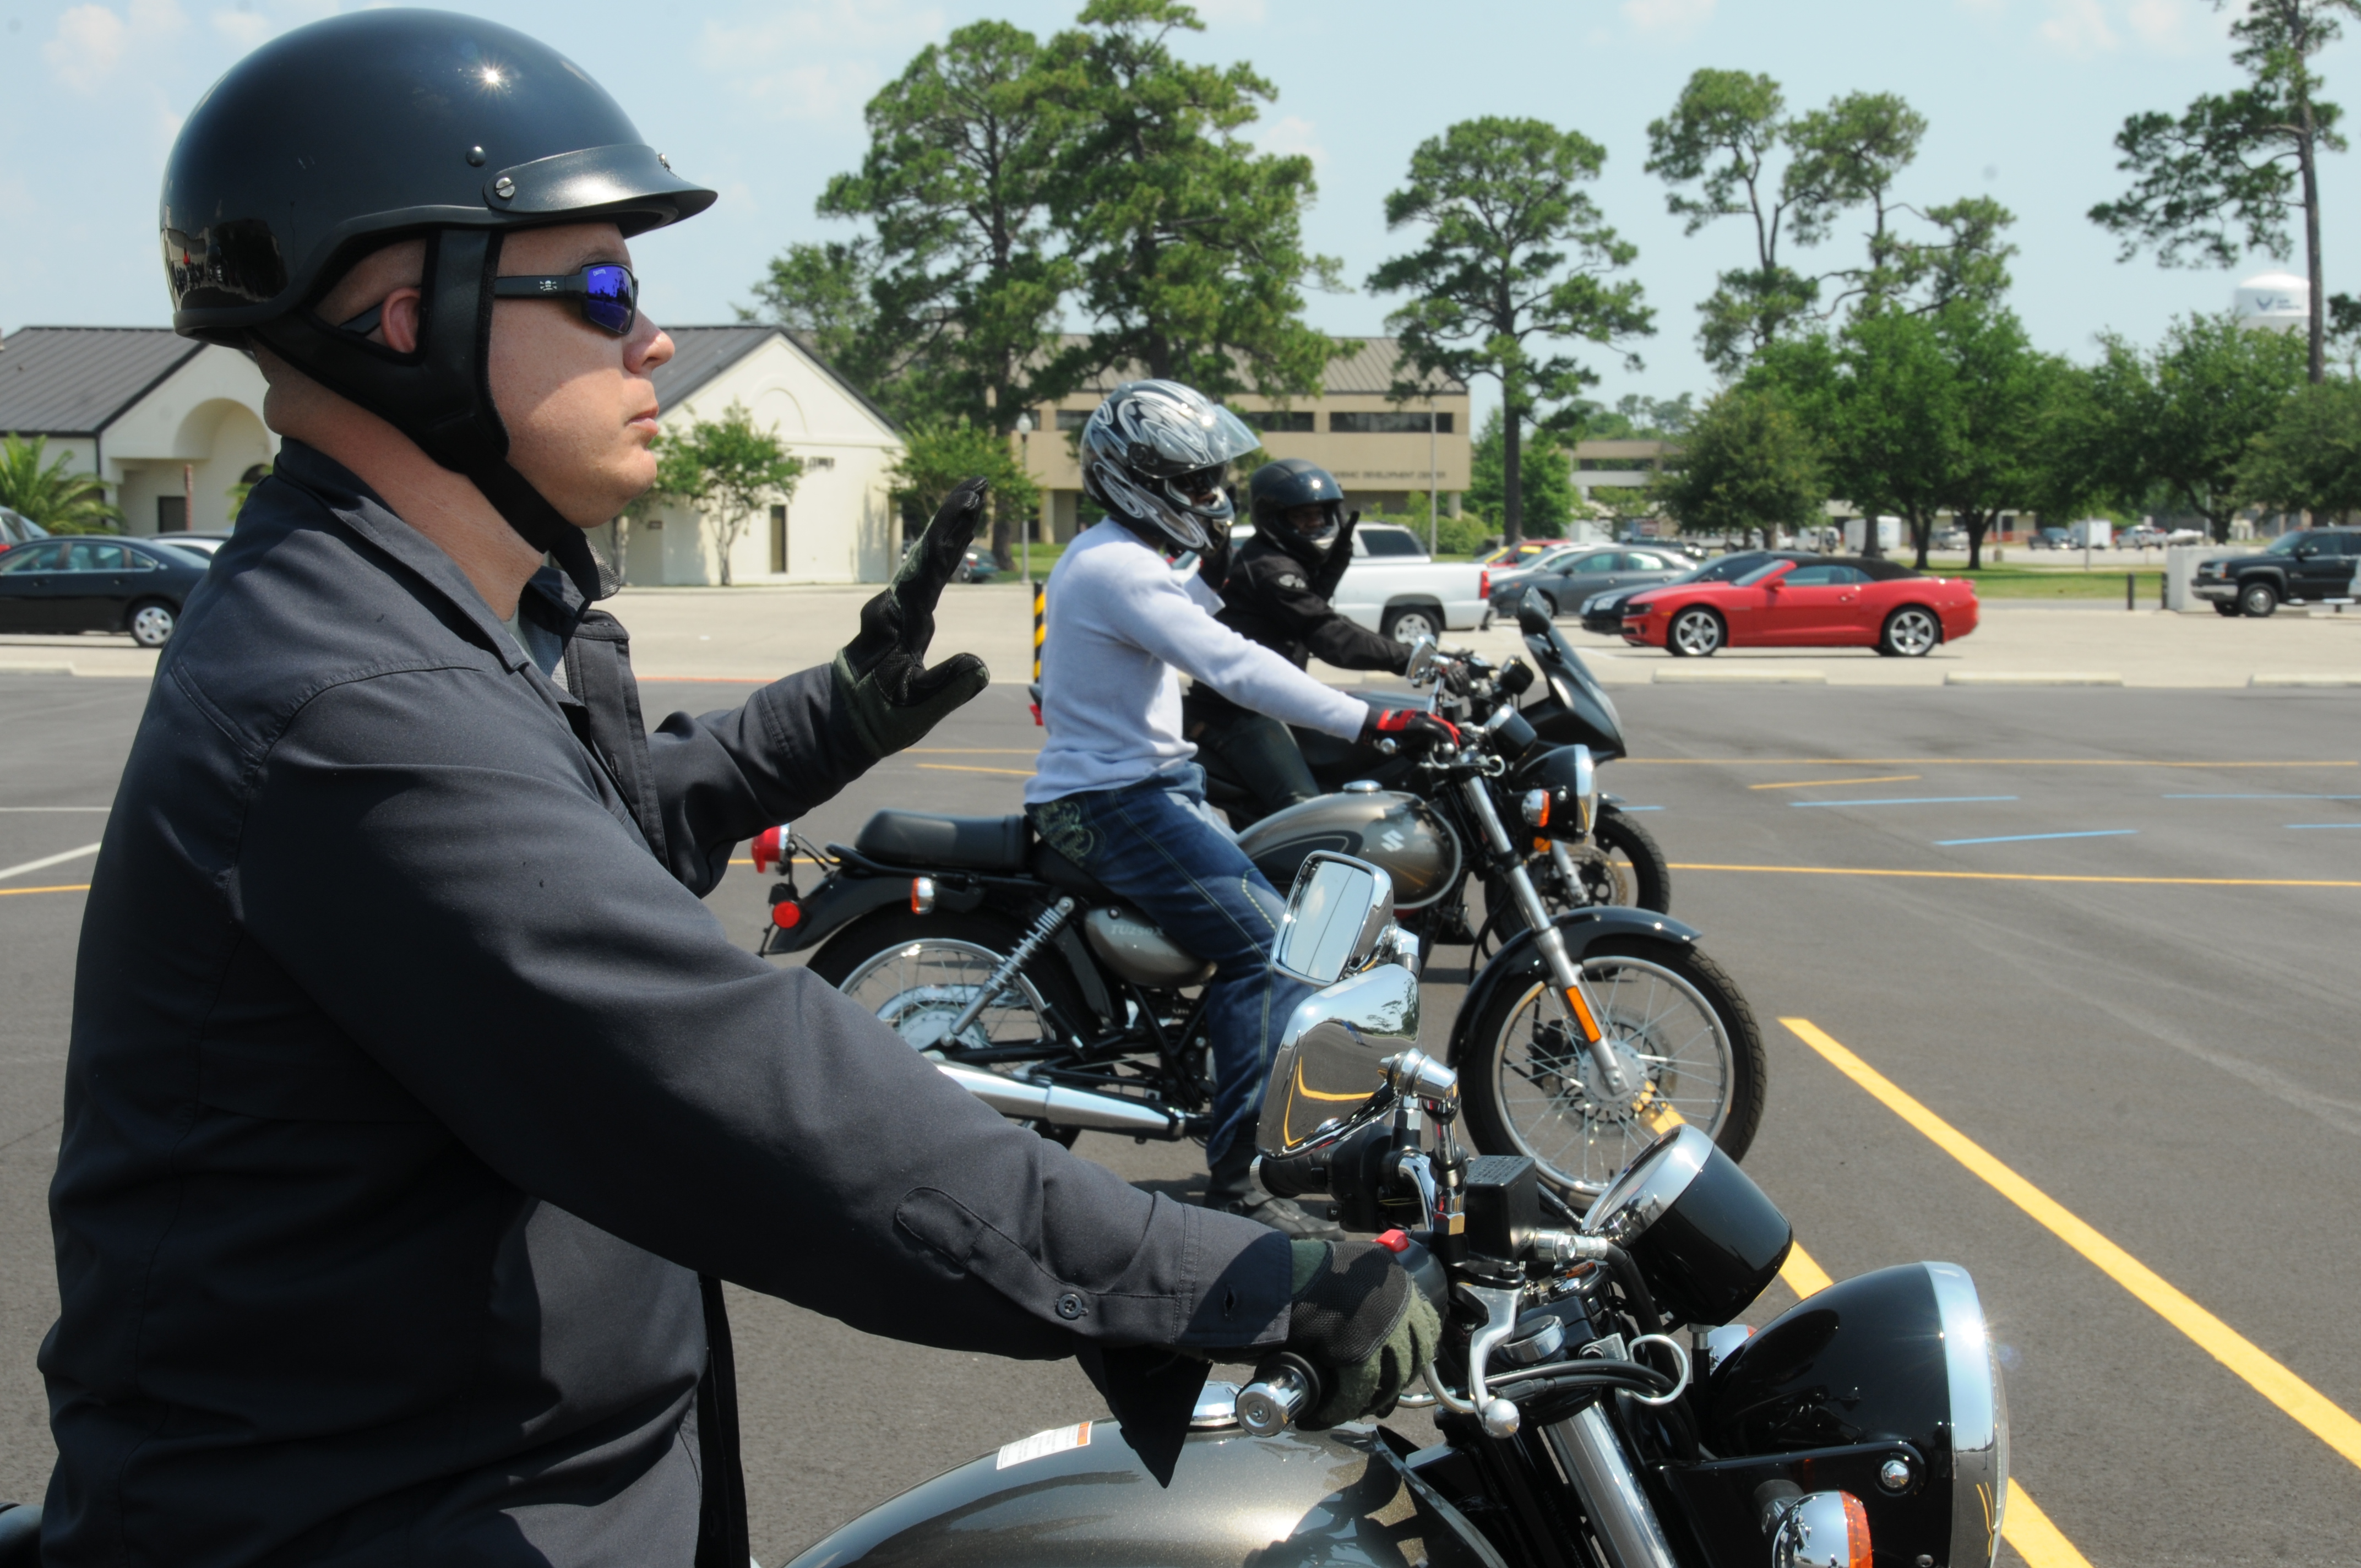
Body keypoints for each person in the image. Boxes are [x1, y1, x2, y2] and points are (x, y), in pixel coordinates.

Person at [41, 16, 1433, 1565]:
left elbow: (600, 827)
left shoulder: (431, 623)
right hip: (386, 1520)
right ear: (393, 314)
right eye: (602, 290)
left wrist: (832, 716)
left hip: (500, 1483)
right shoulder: (356, 703)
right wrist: (1225, 1277)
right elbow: (741, 1079)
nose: (651, 340)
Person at [1025, 382, 1460, 1241]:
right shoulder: (1117, 567)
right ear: (1135, 479)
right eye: (1193, 483)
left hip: (1150, 787)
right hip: (1112, 801)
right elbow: (1236, 667)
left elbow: (1255, 620)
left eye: (1214, 479)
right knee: (1267, 947)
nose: (1211, 497)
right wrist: (1370, 715)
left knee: (1297, 907)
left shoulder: (1133, 558)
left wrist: (1315, 555)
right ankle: (1236, 1173)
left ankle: (1275, 1107)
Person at [1188, 459, 1413, 816]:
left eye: (1321, 515)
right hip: (1237, 712)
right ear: (1276, 518)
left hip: (1268, 698)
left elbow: (1311, 614)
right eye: (1302, 516)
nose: (1315, 524)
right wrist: (1412, 658)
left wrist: (1336, 560)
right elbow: (1327, 633)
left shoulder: (1283, 560)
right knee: (1306, 814)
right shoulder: (1269, 567)